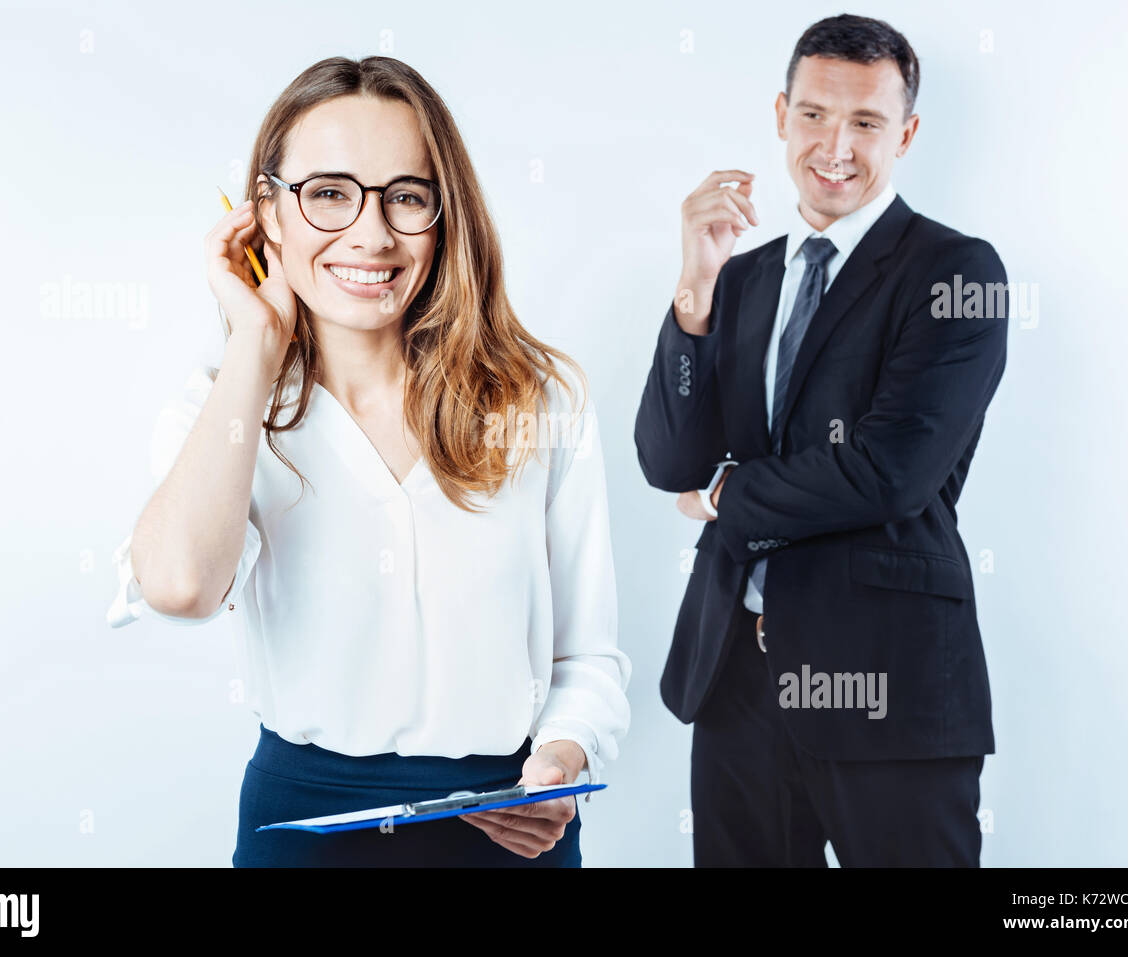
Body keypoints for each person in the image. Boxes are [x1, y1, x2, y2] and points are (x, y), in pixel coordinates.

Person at [106, 56, 630, 867]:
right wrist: (256, 342)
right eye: (328, 194)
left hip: (506, 825)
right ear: (266, 215)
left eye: (406, 196)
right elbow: (179, 586)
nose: (372, 233)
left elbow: (586, 653)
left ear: (443, 214)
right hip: (304, 826)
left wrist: (562, 760)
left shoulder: (542, 398)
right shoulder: (224, 406)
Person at [634, 14, 1008, 866]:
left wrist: (727, 495)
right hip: (736, 681)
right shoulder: (747, 277)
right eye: (814, 115)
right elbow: (668, 461)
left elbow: (890, 472)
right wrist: (695, 294)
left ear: (906, 133)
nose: (835, 145)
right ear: (780, 114)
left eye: (867, 123)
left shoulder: (958, 274)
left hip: (889, 687)